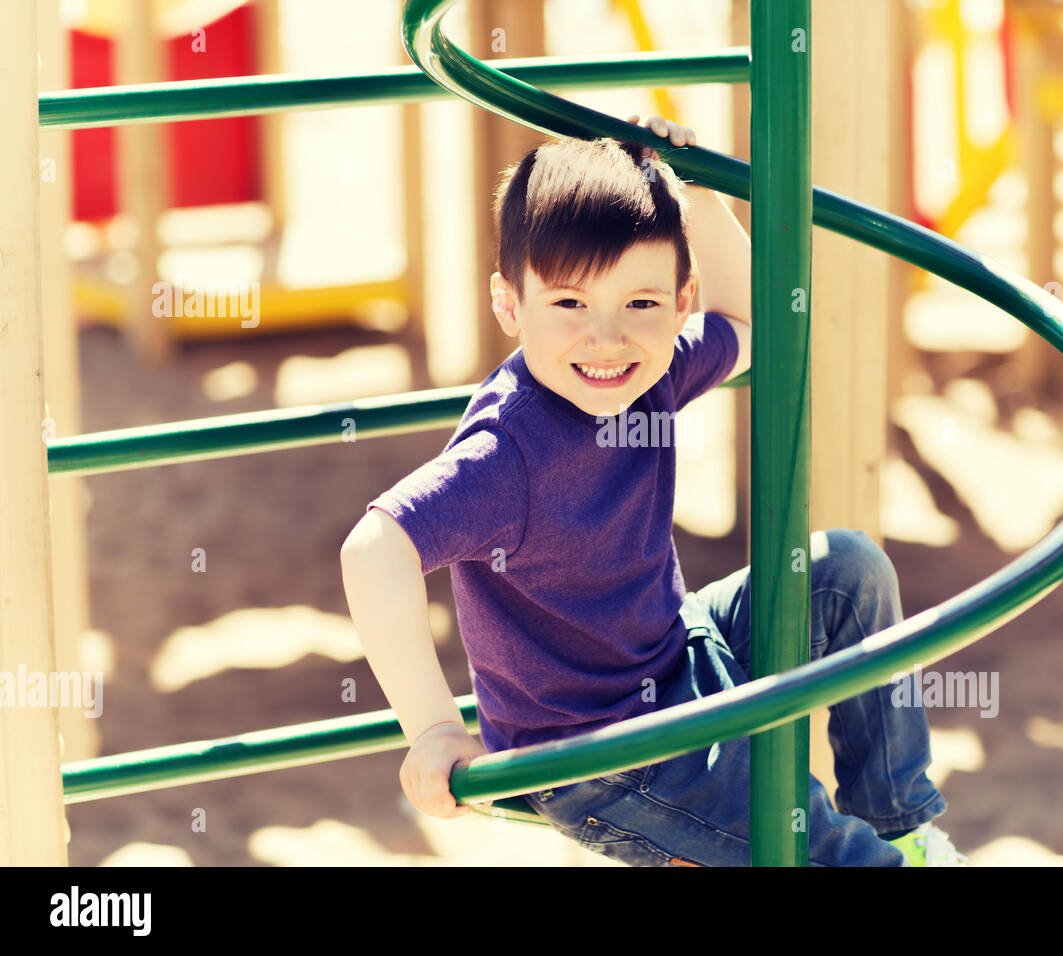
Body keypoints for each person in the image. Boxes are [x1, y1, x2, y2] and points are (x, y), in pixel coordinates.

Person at [340, 115, 963, 866]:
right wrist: (434, 728)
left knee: (846, 573)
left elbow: (751, 318)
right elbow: (375, 547)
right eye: (569, 305)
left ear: (679, 300)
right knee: (804, 835)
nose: (607, 340)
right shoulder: (507, 453)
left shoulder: (655, 371)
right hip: (602, 756)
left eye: (640, 304)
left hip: (680, 655)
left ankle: (904, 829)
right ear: (510, 306)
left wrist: (691, 190)